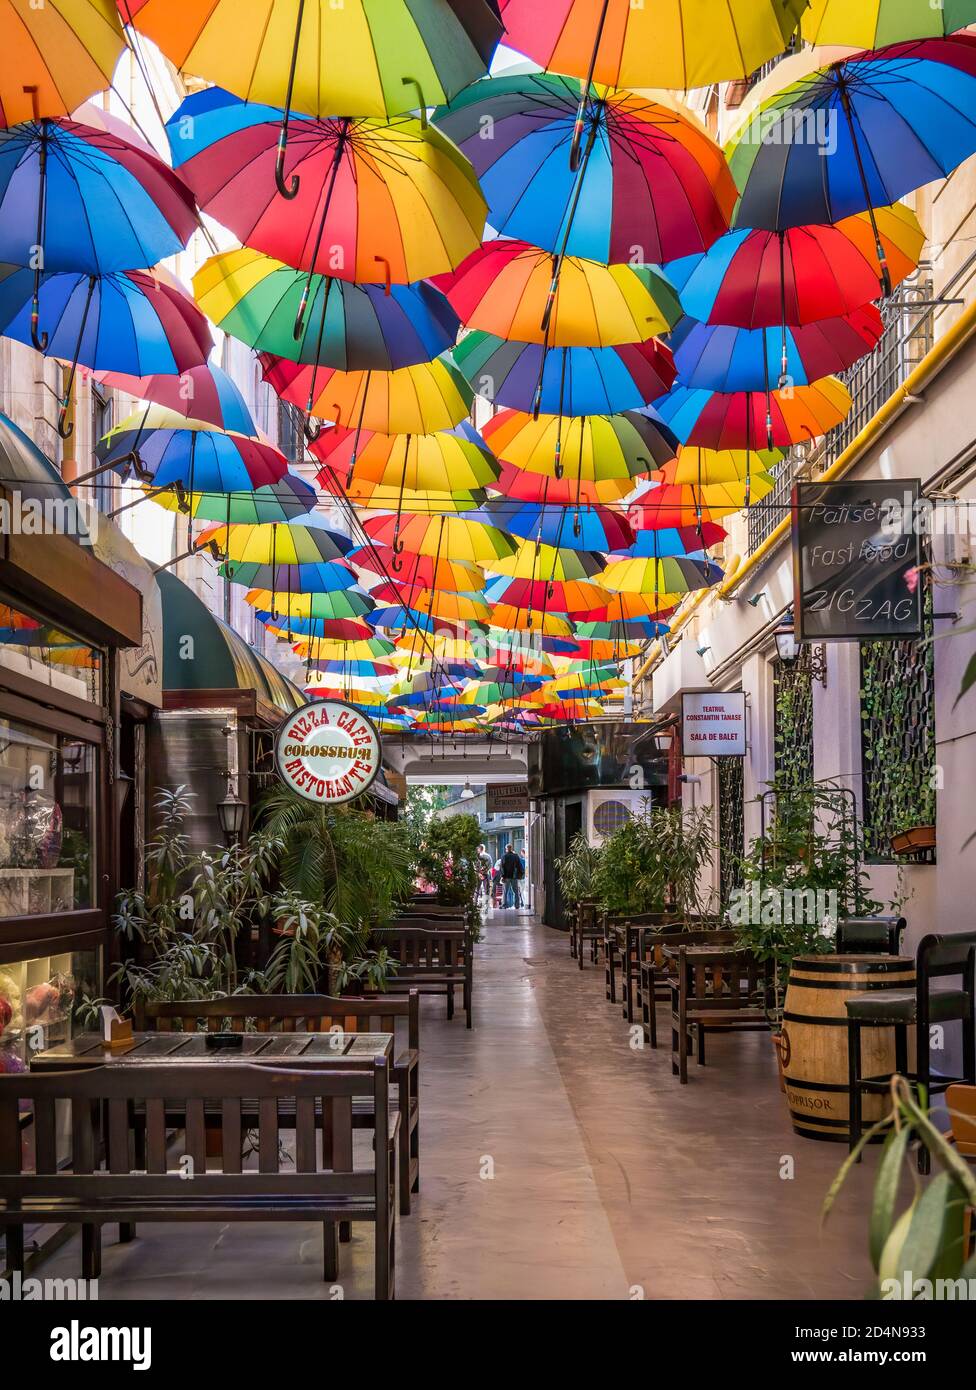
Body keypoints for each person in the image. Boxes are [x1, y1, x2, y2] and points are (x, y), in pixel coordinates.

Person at [501, 843, 524, 909]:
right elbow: (519, 866)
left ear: (506, 849)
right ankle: (517, 905)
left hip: (506, 876)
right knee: (516, 892)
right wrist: (520, 874)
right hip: (514, 876)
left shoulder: (504, 856)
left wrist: (502, 876)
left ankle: (505, 905)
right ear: (511, 848)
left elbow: (502, 867)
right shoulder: (515, 856)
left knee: (505, 892)